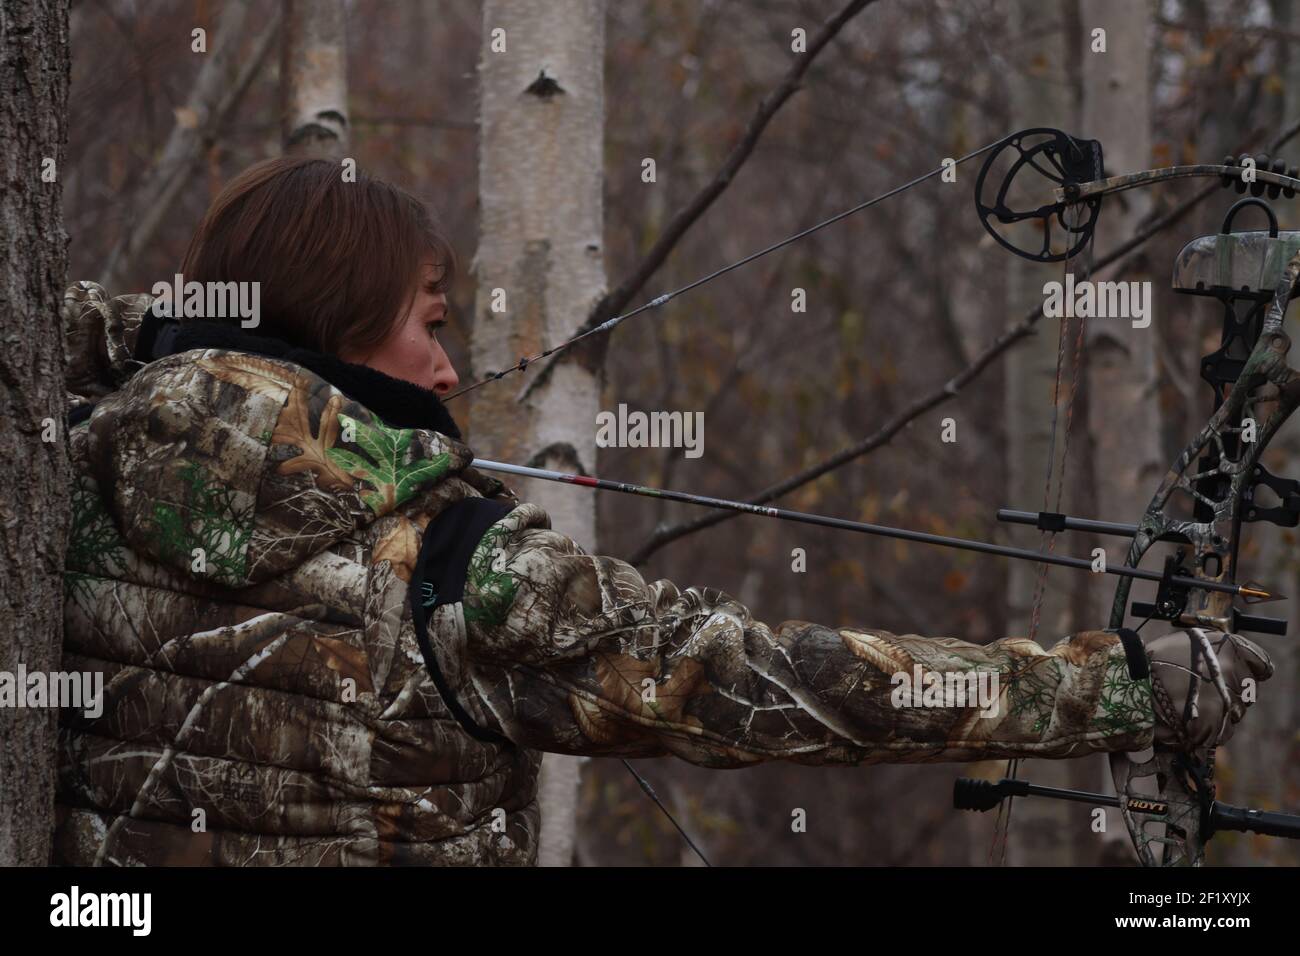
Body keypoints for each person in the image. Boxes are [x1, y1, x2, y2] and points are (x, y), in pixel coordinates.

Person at [54, 157, 1273, 866]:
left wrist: (156, 335)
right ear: (332, 322)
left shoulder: (66, 453)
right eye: (432, 318)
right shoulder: (449, 571)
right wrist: (1114, 684)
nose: (444, 368)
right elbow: (776, 683)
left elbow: (94, 324)